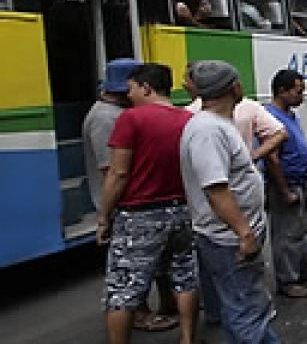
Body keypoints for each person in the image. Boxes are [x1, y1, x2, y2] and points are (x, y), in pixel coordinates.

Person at [97, 63, 198, 344]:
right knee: (185, 275)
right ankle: (188, 338)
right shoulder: (187, 119)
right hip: (181, 210)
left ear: (146, 87)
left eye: (131, 88)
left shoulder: (131, 119)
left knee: (123, 288)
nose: (129, 95)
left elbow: (118, 173)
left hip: (139, 214)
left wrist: (104, 216)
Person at [179, 60, 279, 344]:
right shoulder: (208, 130)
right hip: (228, 240)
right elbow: (216, 191)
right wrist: (244, 233)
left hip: (229, 236)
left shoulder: (217, 125)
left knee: (243, 309)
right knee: (246, 311)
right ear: (235, 88)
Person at [84, 58, 179, 332]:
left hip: (138, 202)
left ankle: (164, 303)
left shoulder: (122, 114)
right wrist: (109, 213)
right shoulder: (106, 117)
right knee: (130, 269)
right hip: (124, 204)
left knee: (154, 262)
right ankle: (139, 312)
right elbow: (111, 172)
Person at [263, 69, 307, 299]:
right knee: (286, 235)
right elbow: (271, 158)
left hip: (301, 182)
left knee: (304, 227)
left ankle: (304, 269)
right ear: (282, 91)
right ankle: (287, 280)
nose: (302, 97)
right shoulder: (269, 117)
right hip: (286, 184)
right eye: (298, 92)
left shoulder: (290, 115)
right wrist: (283, 190)